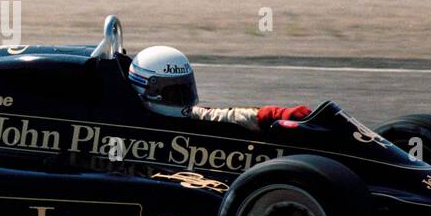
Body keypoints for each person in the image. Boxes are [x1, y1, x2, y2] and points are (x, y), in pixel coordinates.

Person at [129, 46, 310, 128]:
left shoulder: (192, 115)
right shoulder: (126, 123)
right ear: (147, 89)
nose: (182, 98)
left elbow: (224, 117)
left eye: (184, 89)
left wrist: (273, 115)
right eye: (174, 92)